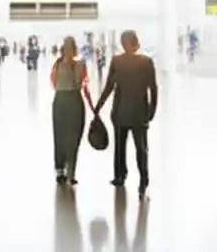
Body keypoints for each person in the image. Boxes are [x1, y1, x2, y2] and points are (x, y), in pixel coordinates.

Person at [94, 30, 158, 198]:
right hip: (138, 113)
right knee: (141, 148)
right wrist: (151, 110)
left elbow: (109, 86)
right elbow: (153, 88)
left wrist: (99, 106)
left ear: (124, 43)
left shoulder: (118, 61)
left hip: (121, 111)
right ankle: (143, 179)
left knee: (121, 147)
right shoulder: (146, 62)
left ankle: (120, 175)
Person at [50, 36, 94, 185]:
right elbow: (83, 85)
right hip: (75, 101)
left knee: (60, 137)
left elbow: (53, 83)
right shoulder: (81, 65)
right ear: (75, 49)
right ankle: (71, 173)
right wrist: (92, 106)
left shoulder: (57, 64)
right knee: (74, 139)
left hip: (59, 102)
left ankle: (60, 171)